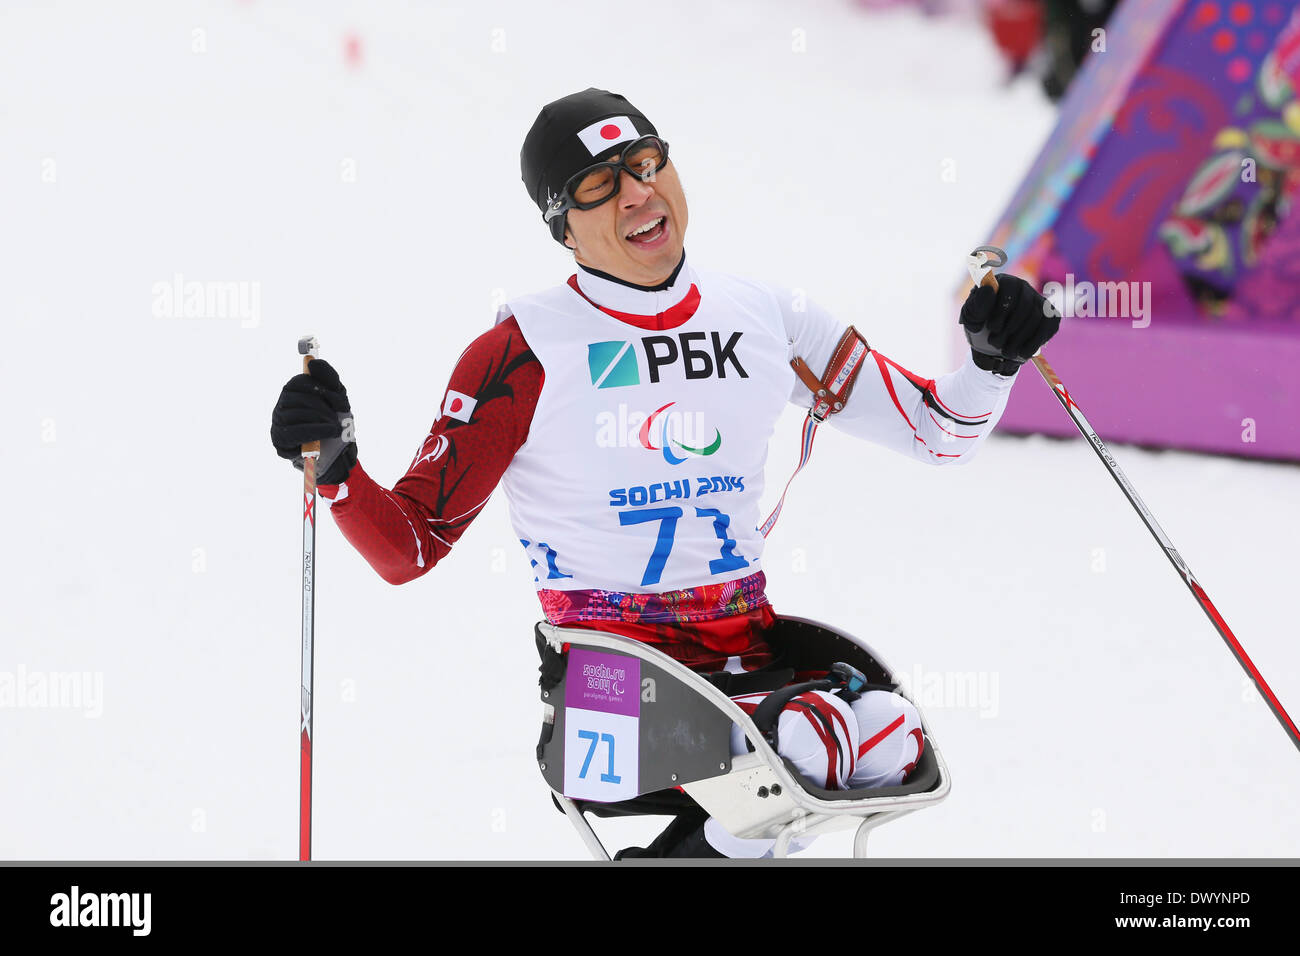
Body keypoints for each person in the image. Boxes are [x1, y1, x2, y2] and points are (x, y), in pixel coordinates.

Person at [270, 88, 1060, 858]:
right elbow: (408, 547)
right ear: (563, 227)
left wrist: (993, 364)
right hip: (608, 695)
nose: (639, 197)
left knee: (890, 737)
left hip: (752, 667)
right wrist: (337, 468)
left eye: (647, 164)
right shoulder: (521, 352)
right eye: (598, 187)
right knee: (802, 751)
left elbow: (937, 433)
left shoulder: (764, 315)